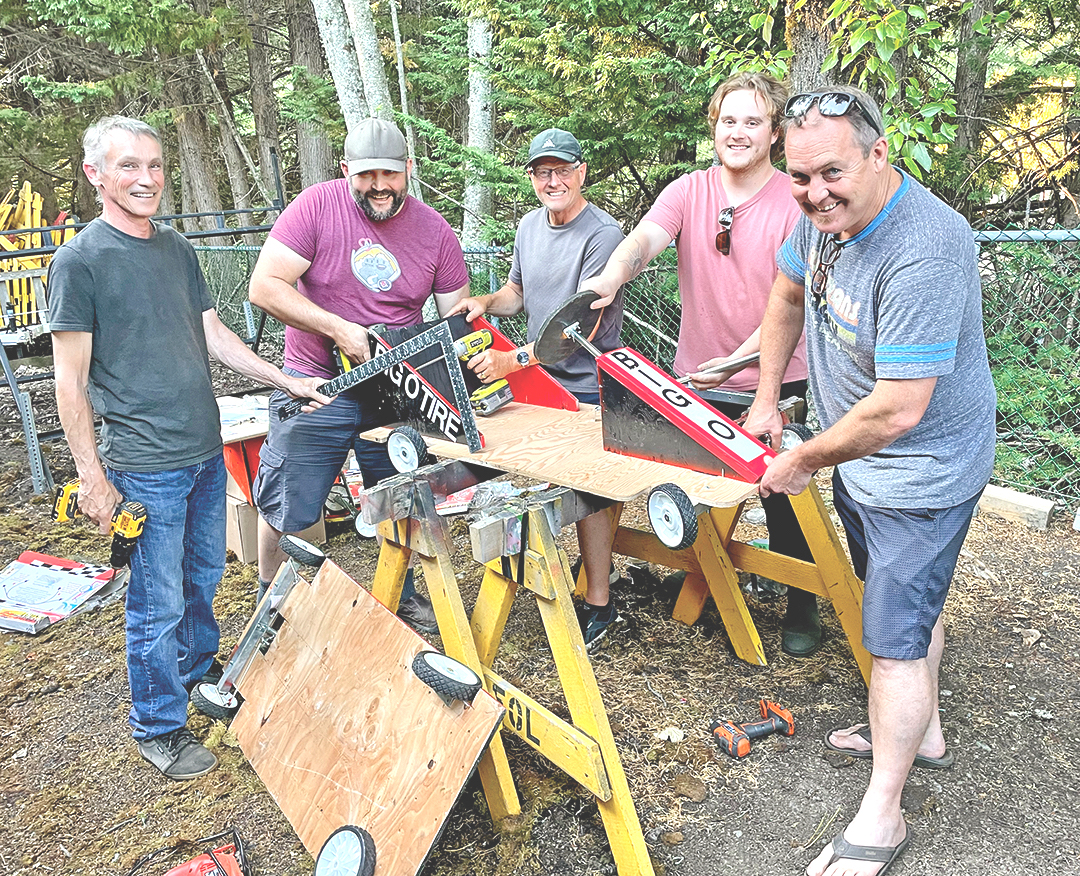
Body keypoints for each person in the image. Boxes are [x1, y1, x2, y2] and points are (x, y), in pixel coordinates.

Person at [743, 86, 996, 876]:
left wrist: (805, 457)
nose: (815, 193)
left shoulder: (927, 246)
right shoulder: (822, 220)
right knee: (906, 610)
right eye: (800, 177)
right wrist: (763, 401)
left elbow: (897, 411)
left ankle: (882, 817)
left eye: (832, 174)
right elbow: (787, 293)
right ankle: (925, 734)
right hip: (859, 460)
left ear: (879, 155)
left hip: (920, 472)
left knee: (890, 643)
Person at [48, 116, 331, 781]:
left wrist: (286, 377)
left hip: (205, 451)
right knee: (157, 600)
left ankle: (198, 674)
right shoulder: (80, 261)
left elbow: (217, 337)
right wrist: (93, 479)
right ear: (95, 174)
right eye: (127, 166)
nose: (145, 178)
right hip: (144, 469)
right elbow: (69, 382)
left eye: (153, 165)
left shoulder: (175, 249)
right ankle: (158, 726)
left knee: (203, 579)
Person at [580, 72, 822, 657]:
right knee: (698, 487)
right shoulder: (688, 190)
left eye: (753, 121)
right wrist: (613, 275)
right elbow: (644, 240)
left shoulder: (795, 200)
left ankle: (804, 601)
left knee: (783, 499)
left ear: (774, 132)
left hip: (777, 375)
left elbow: (794, 300)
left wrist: (738, 359)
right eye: (728, 120)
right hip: (698, 376)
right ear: (714, 125)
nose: (738, 132)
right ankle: (710, 581)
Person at [248, 118, 470, 631]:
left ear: (408, 170)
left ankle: (404, 592)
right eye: (366, 175)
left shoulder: (435, 231)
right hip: (316, 383)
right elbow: (264, 286)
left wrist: (455, 365)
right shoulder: (315, 207)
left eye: (389, 175)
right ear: (346, 170)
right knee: (289, 499)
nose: (378, 186)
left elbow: (456, 316)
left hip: (395, 390)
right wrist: (337, 327)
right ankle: (271, 601)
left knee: (401, 494)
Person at [447, 128, 626, 647]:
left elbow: (580, 327)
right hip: (536, 382)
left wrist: (510, 361)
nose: (553, 181)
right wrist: (484, 302)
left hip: (591, 384)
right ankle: (539, 575)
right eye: (543, 172)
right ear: (532, 178)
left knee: (589, 491)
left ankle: (599, 600)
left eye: (562, 170)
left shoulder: (603, 235)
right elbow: (517, 294)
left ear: (581, 172)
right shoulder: (528, 226)